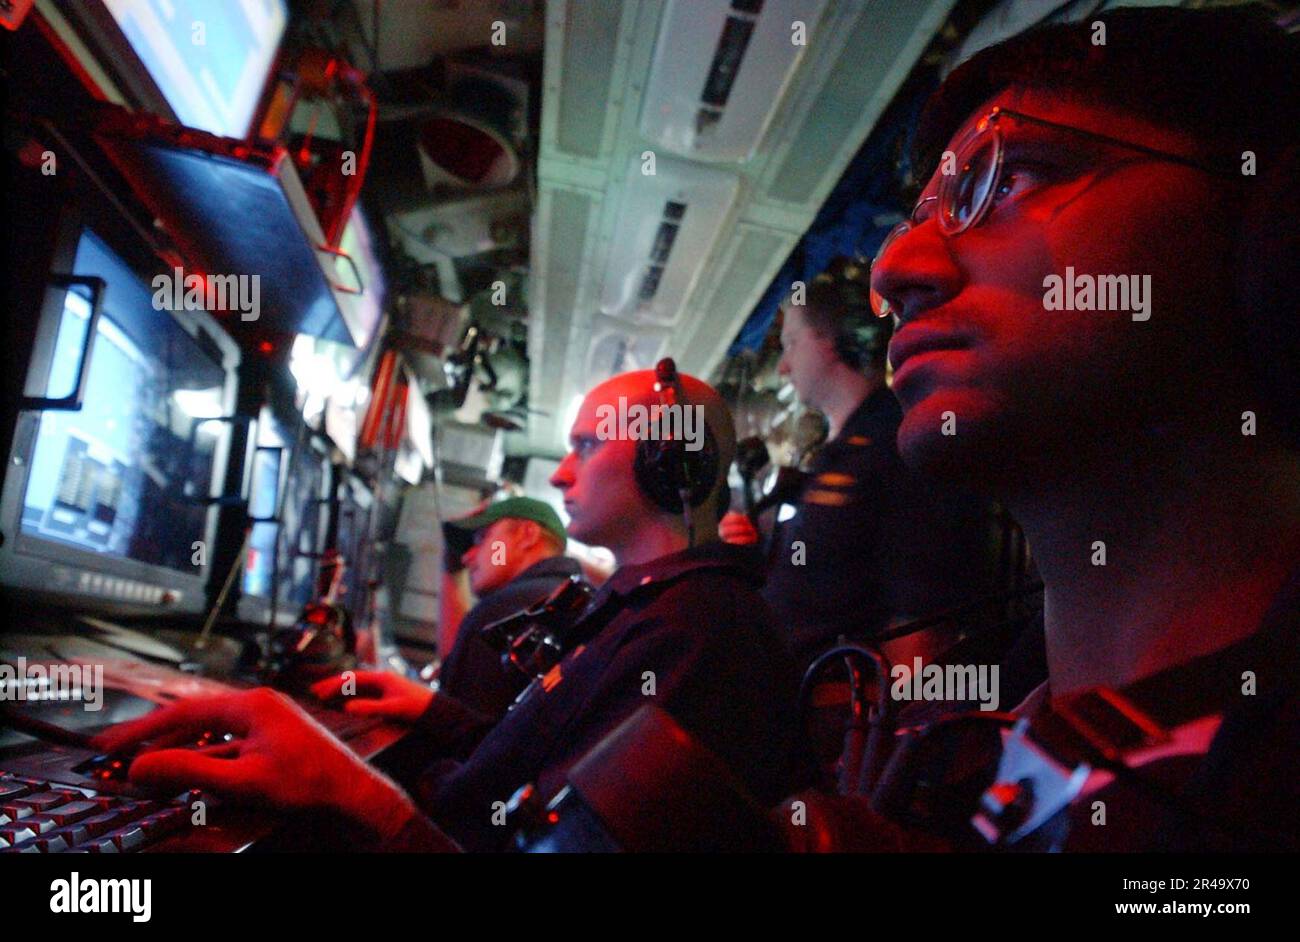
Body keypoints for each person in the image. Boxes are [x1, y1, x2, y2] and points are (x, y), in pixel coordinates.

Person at [853, 4, 1300, 851]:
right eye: (918, 218)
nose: (895, 268)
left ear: (1276, 242)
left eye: (1009, 179)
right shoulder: (952, 749)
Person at [95, 367, 801, 851]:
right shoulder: (657, 609)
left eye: (586, 445)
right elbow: (540, 767)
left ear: (667, 464)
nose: (560, 472)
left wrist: (346, 788)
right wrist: (431, 711)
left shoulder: (701, 637)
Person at [721, 258, 997, 670]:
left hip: (839, 715)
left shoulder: (900, 446)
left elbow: (919, 631)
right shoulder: (840, 451)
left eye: (792, 342)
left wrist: (888, 728)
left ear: (829, 342)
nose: (782, 364)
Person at [327, 497, 584, 726]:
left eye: (482, 539)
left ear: (527, 535)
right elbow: (458, 672)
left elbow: (458, 726)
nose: (466, 557)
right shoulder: (562, 596)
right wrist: (450, 569)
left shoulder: (512, 607)